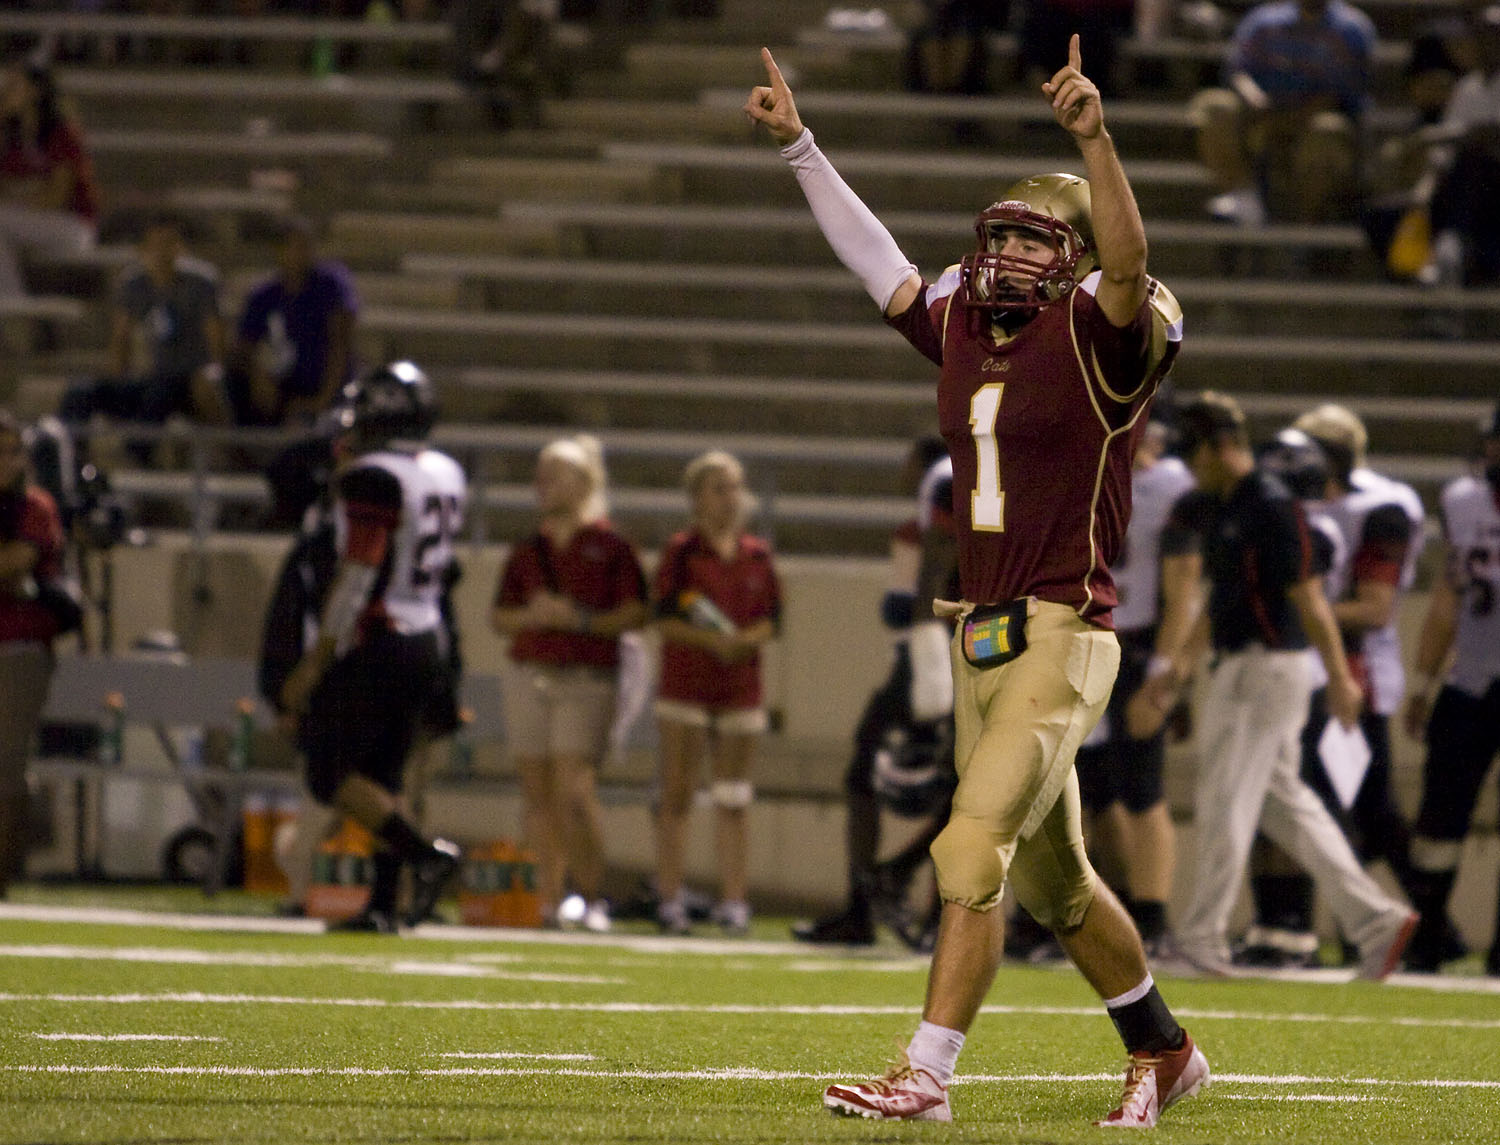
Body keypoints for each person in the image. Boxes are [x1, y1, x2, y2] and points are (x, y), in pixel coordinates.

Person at [748, 36, 1208, 1128]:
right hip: (981, 637)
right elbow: (882, 266)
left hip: (1066, 630)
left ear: (1080, 259)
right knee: (1055, 885)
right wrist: (801, 147)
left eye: (1033, 243)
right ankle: (1165, 1048)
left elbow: (1134, 268)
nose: (1005, 259)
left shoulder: (1104, 334)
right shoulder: (960, 323)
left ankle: (926, 1072)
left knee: (968, 842)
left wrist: (1095, 142)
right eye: (998, 239)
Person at [1147, 392, 1416, 980]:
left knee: (1224, 800)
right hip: (1246, 666)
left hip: (1265, 669)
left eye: (1196, 455)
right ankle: (1376, 919)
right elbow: (1219, 601)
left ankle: (1201, 938)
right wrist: (1180, 671)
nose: (1191, 469)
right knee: (1285, 805)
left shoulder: (1270, 505)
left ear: (1222, 446)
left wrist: (1342, 680)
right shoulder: (1229, 504)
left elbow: (1312, 600)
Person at [277, 361, 464, 934]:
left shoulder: (375, 477)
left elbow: (359, 571)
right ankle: (384, 905)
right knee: (383, 775)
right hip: (428, 634)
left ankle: (422, 855)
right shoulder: (442, 471)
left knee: (328, 768)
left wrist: (316, 659)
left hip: (383, 638)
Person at [1239, 405, 1426, 967]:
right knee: (1306, 805)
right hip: (1302, 665)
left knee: (1345, 811)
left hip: (1348, 673)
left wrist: (1291, 611)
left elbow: (1373, 608)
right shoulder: (1283, 507)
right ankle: (1295, 927)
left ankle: (1330, 928)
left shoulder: (1380, 509)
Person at [791, 437, 957, 948]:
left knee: (946, 790)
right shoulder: (950, 489)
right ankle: (897, 902)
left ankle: (887, 894)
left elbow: (938, 566)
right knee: (960, 791)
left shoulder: (947, 479)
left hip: (944, 656)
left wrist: (928, 652)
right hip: (964, 650)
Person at [490, 434, 647, 933]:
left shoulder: (611, 545)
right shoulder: (528, 547)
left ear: (584, 483)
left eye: (554, 474)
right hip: (529, 672)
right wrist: (533, 617)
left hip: (585, 676)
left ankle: (591, 894)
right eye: (540, 474)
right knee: (537, 796)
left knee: (574, 792)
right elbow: (500, 615)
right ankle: (548, 899)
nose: (543, 484)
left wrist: (578, 620)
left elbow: (635, 612)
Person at [1072, 419, 1195, 957]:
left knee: (1142, 789)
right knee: (1089, 788)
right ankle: (1103, 911)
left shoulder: (1170, 484)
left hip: (1136, 645)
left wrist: (1167, 673)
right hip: (1080, 638)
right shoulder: (1079, 462)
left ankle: (1152, 920)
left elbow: (1185, 582)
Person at [651, 450, 782, 936]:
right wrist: (711, 641)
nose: (731, 497)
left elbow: (773, 621)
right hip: (686, 684)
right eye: (719, 487)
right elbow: (662, 617)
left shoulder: (758, 554)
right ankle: (669, 898)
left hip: (739, 686)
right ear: (697, 497)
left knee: (733, 796)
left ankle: (734, 900)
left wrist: (743, 642)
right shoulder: (680, 552)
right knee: (678, 793)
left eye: (735, 486)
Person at [1401, 403, 1500, 974]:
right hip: (1470, 684)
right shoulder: (1465, 501)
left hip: (1475, 681)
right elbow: (1447, 598)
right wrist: (1423, 683)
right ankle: (1430, 939)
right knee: (1439, 821)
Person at [59, 214, 231, 460]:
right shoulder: (135, 285)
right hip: (154, 378)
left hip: (189, 382)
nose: (162, 252)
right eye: (156, 245)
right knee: (82, 390)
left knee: (161, 391)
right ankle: (69, 458)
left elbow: (216, 340)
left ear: (180, 247)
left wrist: (214, 377)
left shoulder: (200, 283)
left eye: (170, 244)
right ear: (143, 250)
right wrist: (119, 382)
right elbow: (121, 337)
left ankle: (136, 455)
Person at [1189, 0, 1376, 225]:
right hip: (1261, 115)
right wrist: (1256, 100)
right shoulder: (1264, 21)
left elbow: (1346, 89)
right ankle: (1244, 196)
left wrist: (1292, 114)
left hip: (1314, 121)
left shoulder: (1352, 28)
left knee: (1329, 129)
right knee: (1215, 106)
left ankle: (1309, 223)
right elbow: (1238, 71)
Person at [0, 408, 67, 897]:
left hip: (19, 649)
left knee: (6, 763)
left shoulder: (34, 507)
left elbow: (17, 562)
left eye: (11, 450)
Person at [227, 216, 359, 429]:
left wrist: (321, 401)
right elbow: (243, 348)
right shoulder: (264, 295)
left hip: (323, 386)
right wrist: (258, 375)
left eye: (304, 246)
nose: (298, 254)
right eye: (291, 246)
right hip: (282, 385)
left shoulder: (329, 285)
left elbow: (340, 344)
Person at [1414, 5, 1500, 287]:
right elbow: (1444, 152)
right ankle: (1443, 257)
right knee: (1381, 218)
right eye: (1483, 37)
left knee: (1473, 163)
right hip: (1463, 186)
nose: (1489, 44)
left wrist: (1454, 136)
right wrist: (1424, 189)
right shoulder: (1467, 88)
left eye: (1495, 36)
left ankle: (1449, 251)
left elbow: (1488, 136)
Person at [0, 57, 98, 302]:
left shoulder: (61, 133)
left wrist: (19, 197)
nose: (5, 92)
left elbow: (57, 197)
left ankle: (15, 306)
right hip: (31, 223)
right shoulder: (13, 137)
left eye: (13, 86)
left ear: (35, 91)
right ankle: (12, 305)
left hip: (71, 226)